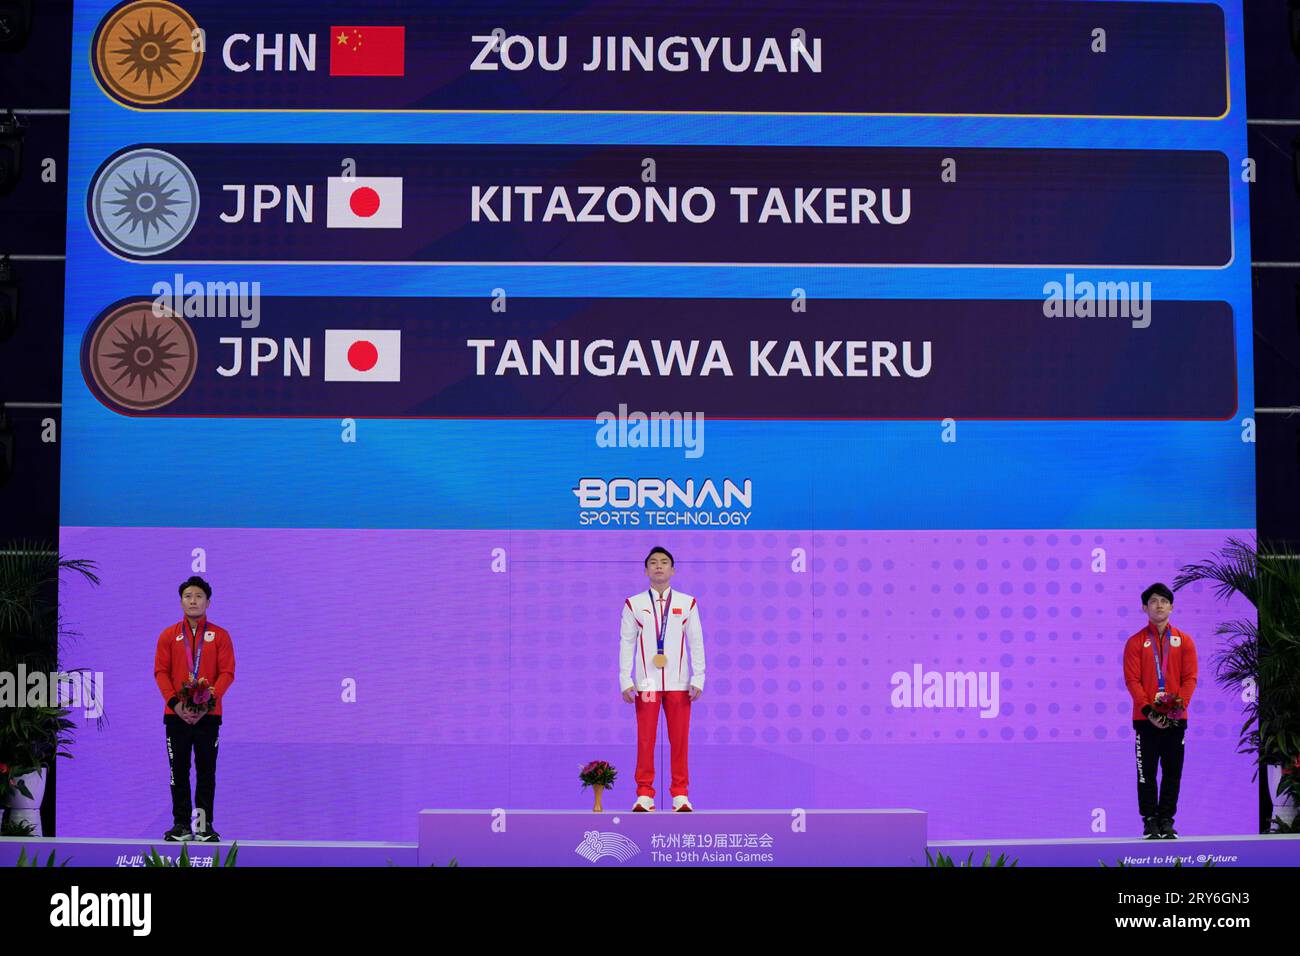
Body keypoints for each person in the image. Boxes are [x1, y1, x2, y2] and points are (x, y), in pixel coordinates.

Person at [619, 546, 705, 812]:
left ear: (672, 570)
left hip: (679, 684)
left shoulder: (686, 602)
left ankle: (680, 795)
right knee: (645, 739)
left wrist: (698, 676)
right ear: (646, 570)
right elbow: (626, 642)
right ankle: (645, 794)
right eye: (653, 563)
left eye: (664, 562)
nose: (658, 566)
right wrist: (625, 679)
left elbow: (696, 642)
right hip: (647, 684)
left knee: (679, 740)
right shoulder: (634, 604)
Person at [154, 575, 235, 842]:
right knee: (178, 771)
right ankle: (181, 825)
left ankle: (203, 825)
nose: (193, 600)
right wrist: (176, 705)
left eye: (198, 596)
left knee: (205, 772)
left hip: (209, 716)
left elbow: (227, 673)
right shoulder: (168, 635)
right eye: (188, 596)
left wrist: (207, 703)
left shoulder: (220, 635)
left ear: (208, 602)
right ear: (181, 601)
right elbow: (160, 673)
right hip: (175, 716)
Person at [1123, 582, 1198, 840]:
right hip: (1145, 721)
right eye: (1153, 601)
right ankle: (1150, 821)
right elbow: (1132, 681)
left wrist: (1177, 711)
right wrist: (1150, 712)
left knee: (1172, 771)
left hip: (1177, 720)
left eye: (1164, 601)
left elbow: (1190, 678)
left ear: (1172, 607)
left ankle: (1167, 820)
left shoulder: (1184, 640)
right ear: (1145, 608)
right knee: (1146, 773)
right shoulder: (1135, 642)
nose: (1159, 605)